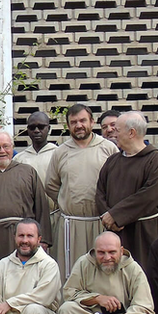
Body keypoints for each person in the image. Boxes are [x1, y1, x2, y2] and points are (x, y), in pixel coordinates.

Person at [45, 103, 118, 276]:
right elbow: (51, 184)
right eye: (73, 122)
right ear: (69, 126)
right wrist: (68, 200)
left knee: (102, 271)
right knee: (72, 273)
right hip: (72, 224)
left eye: (83, 120)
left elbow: (117, 183)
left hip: (101, 222)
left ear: (92, 122)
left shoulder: (108, 148)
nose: (79, 125)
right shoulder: (60, 152)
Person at [96, 111, 158, 268]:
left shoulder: (155, 160)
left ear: (131, 133)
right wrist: (107, 217)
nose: (114, 133)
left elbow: (150, 195)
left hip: (146, 234)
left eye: (117, 129)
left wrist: (116, 215)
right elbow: (100, 192)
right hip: (117, 232)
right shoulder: (113, 161)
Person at [0, 131, 51, 262]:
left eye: (6, 146)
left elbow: (42, 207)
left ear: (12, 148)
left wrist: (44, 240)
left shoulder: (28, 173)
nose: (2, 151)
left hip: (25, 238)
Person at [12, 111, 58, 212]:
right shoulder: (19, 159)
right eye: (32, 127)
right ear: (28, 130)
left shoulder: (58, 154)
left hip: (55, 214)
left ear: (49, 128)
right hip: (28, 215)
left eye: (41, 127)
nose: (36, 131)